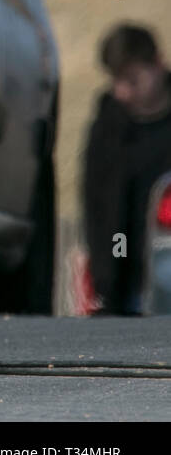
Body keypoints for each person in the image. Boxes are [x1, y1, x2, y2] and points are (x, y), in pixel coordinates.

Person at [82, 23, 171, 314]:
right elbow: (96, 207)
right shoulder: (108, 128)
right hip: (125, 289)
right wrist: (102, 283)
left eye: (132, 80)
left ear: (157, 65)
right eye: (116, 81)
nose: (122, 93)